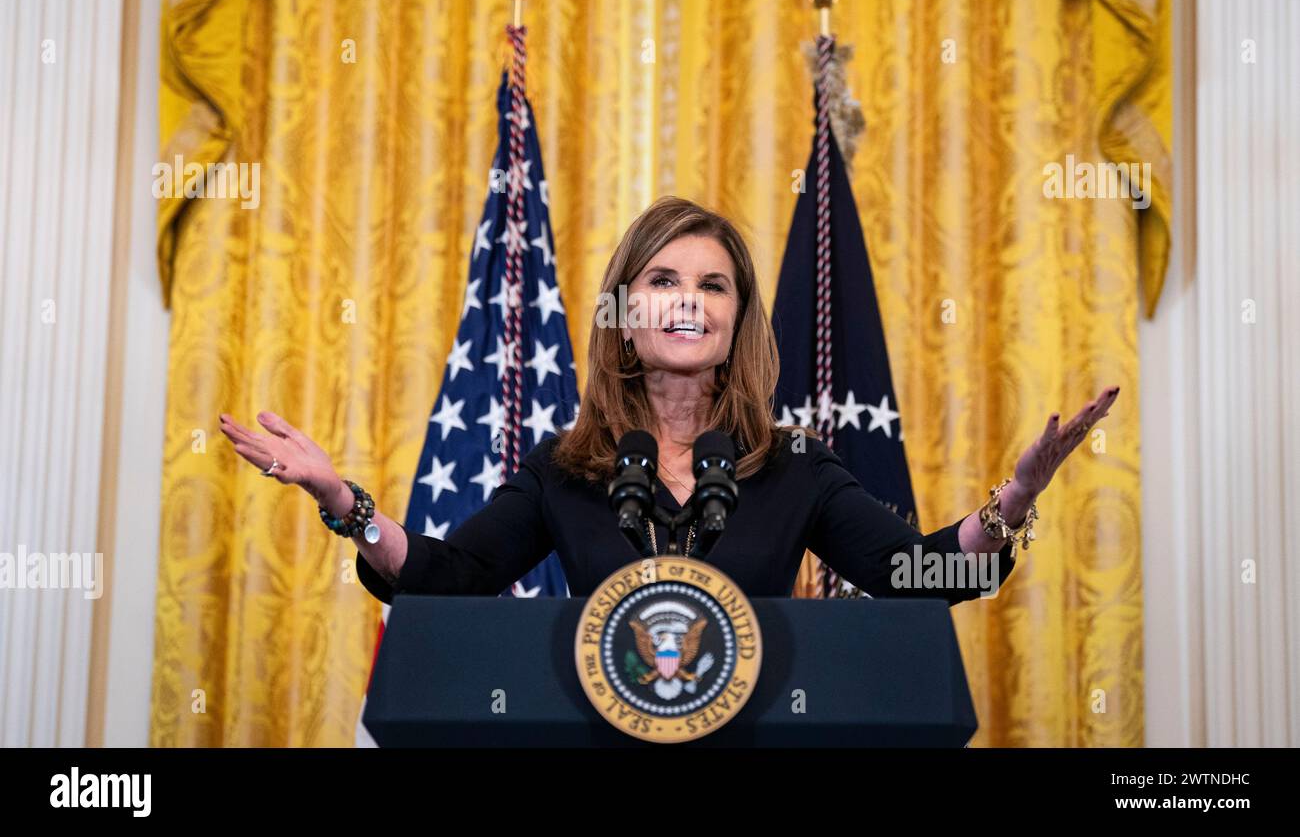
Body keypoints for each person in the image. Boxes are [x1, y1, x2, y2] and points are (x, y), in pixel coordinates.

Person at [219, 196, 1118, 605]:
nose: (690, 299)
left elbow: (915, 573)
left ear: (738, 318)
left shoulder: (795, 466)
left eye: (714, 285)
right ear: (624, 311)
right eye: (663, 278)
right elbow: (452, 578)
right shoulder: (565, 473)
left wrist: (1012, 505)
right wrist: (345, 504)